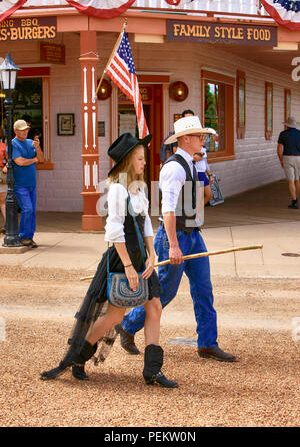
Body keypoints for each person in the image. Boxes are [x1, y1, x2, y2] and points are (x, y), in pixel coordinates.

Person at [41, 132, 178, 388]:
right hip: (121, 257)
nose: (144, 163)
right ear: (128, 161)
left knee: (154, 307)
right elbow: (114, 232)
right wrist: (128, 266)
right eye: (140, 159)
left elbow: (146, 223)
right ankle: (78, 359)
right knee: (115, 316)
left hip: (140, 257)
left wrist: (151, 255)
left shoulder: (139, 187)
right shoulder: (116, 189)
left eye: (143, 158)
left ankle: (152, 371)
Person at [117, 116, 236, 363]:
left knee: (204, 289)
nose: (203, 140)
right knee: (166, 292)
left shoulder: (194, 164)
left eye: (203, 136)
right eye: (199, 136)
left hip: (193, 234)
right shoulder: (173, 168)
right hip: (175, 236)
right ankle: (127, 325)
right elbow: (168, 210)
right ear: (185, 139)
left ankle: (207, 343)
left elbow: (203, 198)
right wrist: (172, 245)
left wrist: (204, 180)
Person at [12, 119, 44, 247]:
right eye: (22, 130)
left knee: (32, 210)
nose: (25, 132)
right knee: (27, 209)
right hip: (20, 184)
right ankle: (23, 236)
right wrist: (34, 159)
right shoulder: (13, 144)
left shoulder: (31, 143)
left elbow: (41, 159)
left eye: (26, 129)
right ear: (16, 131)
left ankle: (29, 237)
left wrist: (38, 148)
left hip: (32, 184)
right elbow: (20, 161)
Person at [277, 116, 300, 209]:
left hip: (287, 158)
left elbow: (279, 150)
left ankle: (294, 201)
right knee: (297, 179)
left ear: (287, 125)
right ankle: (297, 198)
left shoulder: (283, 134)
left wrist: (281, 160)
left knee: (291, 180)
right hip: (299, 158)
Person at [0, 129, 7, 234]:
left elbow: (10, 159)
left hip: (1, 174)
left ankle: (7, 224)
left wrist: (6, 167)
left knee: (2, 201)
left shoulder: (3, 146)